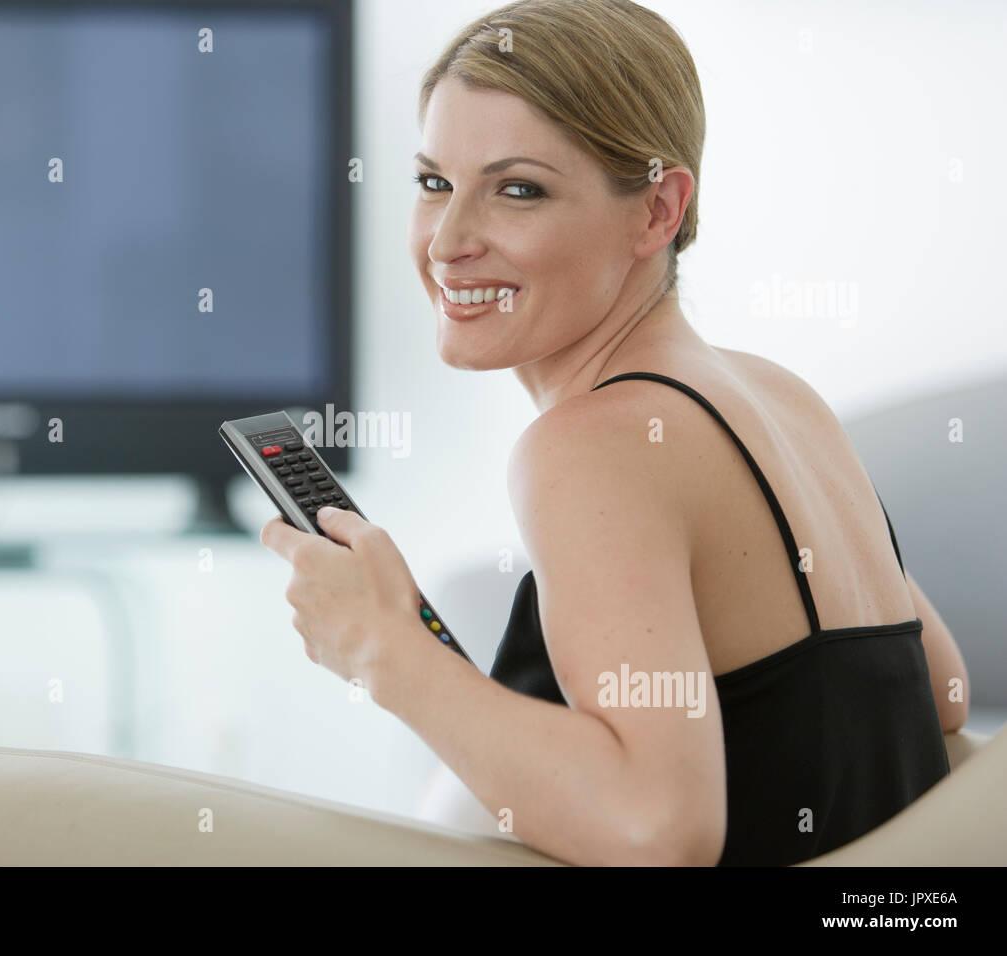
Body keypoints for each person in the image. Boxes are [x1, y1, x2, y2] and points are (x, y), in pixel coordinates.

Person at [260, 0, 968, 866]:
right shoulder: (783, 399)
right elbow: (940, 695)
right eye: (434, 183)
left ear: (658, 212)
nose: (448, 241)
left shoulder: (593, 448)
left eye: (518, 189)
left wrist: (384, 650)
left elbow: (659, 830)